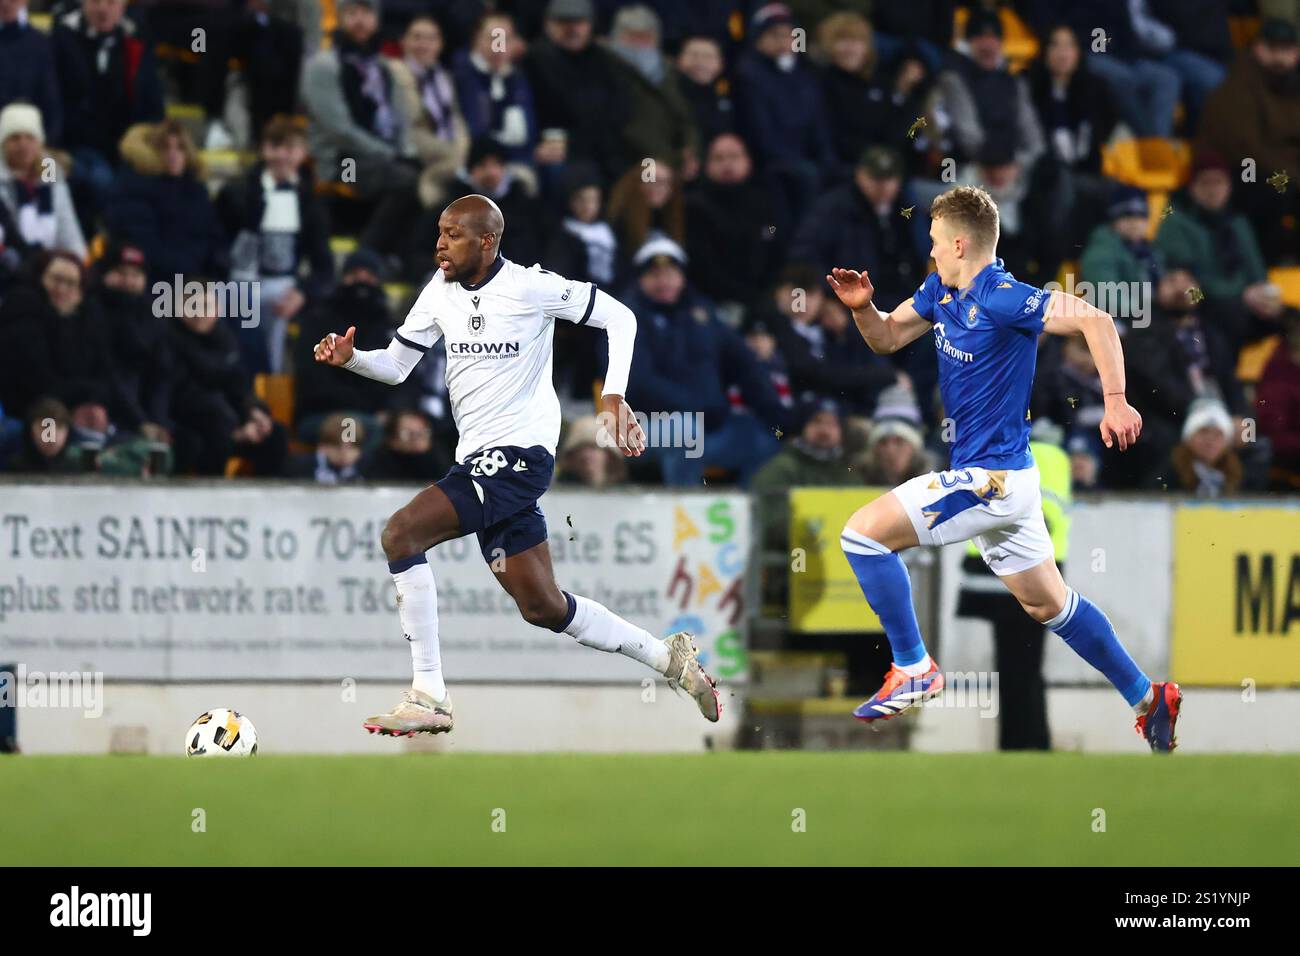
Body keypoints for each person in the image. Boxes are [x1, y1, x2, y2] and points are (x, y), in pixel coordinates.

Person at [311, 194, 722, 736]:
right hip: (478, 460)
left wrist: (613, 396)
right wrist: (354, 360)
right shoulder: (438, 292)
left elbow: (620, 317)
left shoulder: (532, 287)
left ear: (487, 241)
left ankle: (429, 693)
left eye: (453, 234)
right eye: (438, 231)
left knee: (401, 535)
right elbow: (397, 366)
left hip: (518, 457)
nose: (440, 243)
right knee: (544, 607)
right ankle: (668, 659)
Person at [826, 184, 1182, 752]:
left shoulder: (1004, 296)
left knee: (862, 537)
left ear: (961, 244)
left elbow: (1096, 321)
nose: (932, 251)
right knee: (1050, 604)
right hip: (1004, 482)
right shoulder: (941, 289)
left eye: (937, 242)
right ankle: (1149, 697)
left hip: (992, 481)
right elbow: (888, 338)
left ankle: (913, 665)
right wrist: (863, 309)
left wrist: (1115, 399)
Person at [216, 115, 334, 374]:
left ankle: (270, 385)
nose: (281, 155)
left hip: (282, 285)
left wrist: (302, 293)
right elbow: (217, 247)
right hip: (237, 282)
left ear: (303, 153)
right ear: (262, 148)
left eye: (289, 148)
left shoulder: (311, 201)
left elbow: (323, 266)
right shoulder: (236, 193)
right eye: (274, 146)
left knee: (283, 311)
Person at [0, 103, 86, 258]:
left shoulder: (50, 171)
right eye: (15, 138)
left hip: (52, 261)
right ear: (3, 144)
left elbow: (67, 225)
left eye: (30, 137)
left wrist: (78, 261)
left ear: (40, 142)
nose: (23, 145)